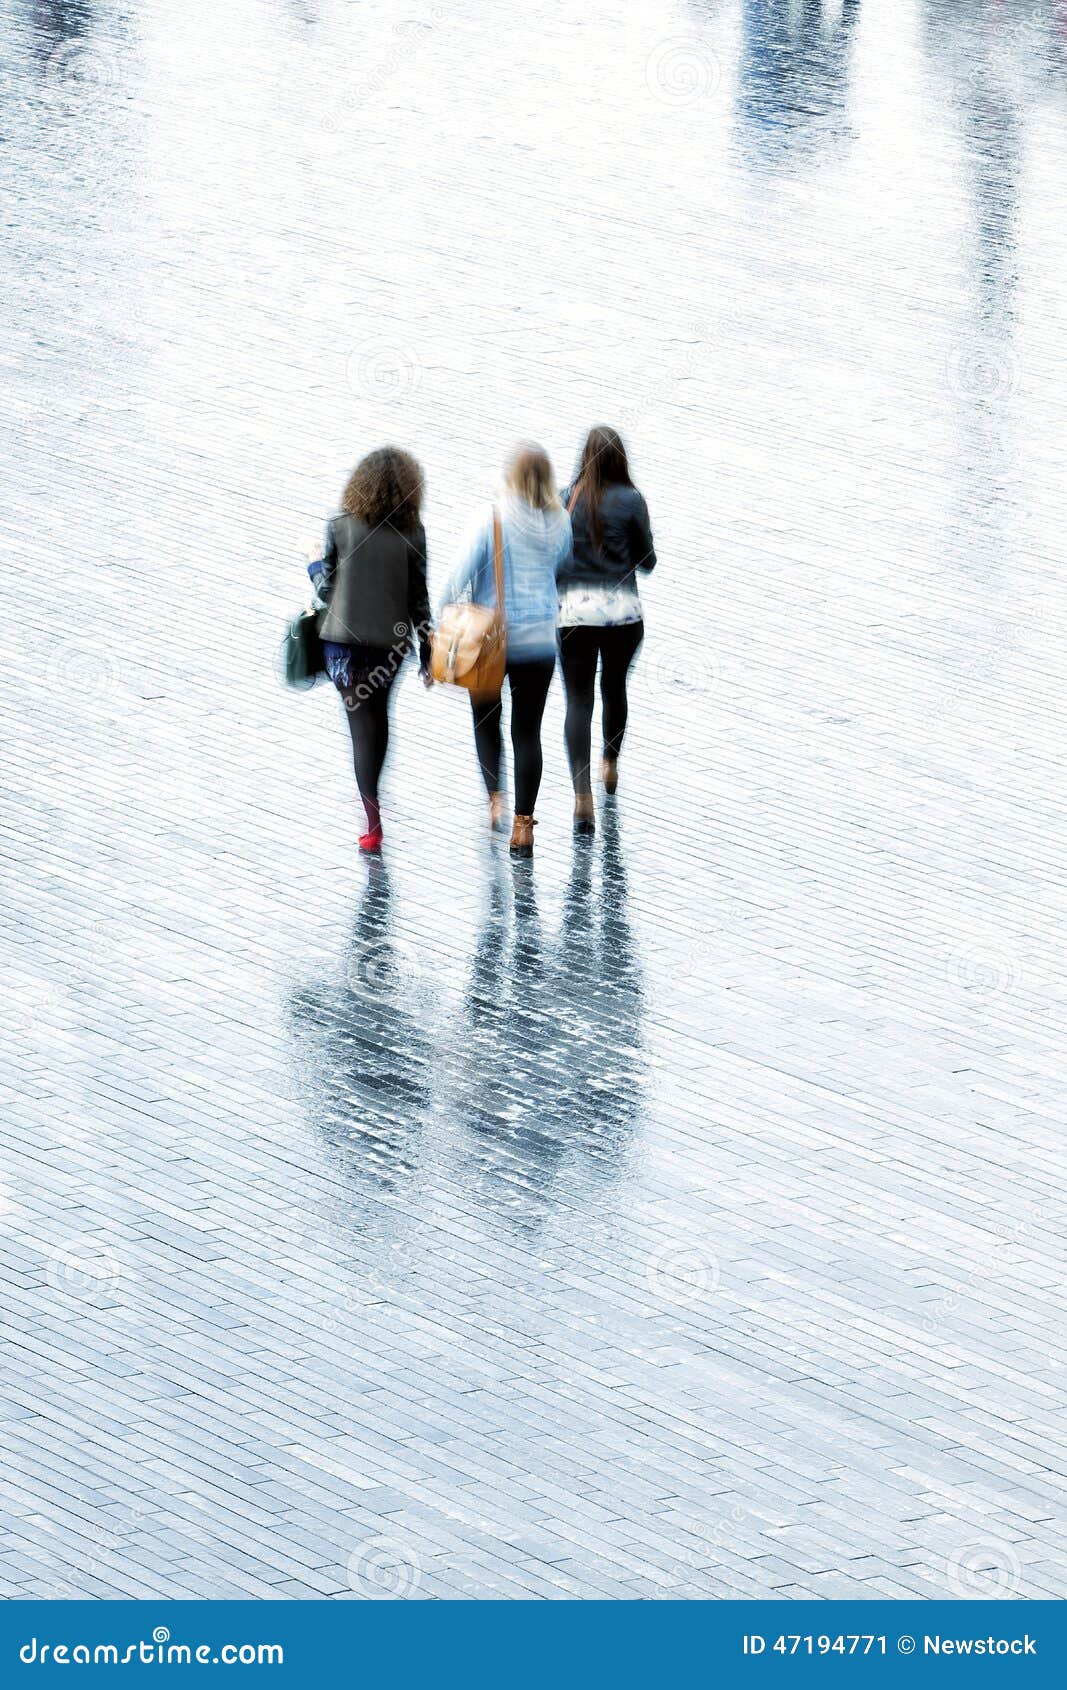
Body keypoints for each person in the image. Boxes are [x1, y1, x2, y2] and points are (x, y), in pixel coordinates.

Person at [441, 443, 571, 859]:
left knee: (485, 719)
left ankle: (495, 798)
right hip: (540, 642)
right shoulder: (560, 522)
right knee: (528, 732)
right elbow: (562, 568)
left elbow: (458, 573)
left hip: (490, 641)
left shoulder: (490, 517)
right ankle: (523, 826)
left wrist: (435, 622)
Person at [308, 447, 432, 854]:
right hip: (391, 648)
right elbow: (419, 600)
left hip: (343, 647)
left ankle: (373, 822)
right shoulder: (413, 534)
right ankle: (374, 807)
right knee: (379, 720)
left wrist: (312, 566)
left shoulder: (340, 527)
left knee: (360, 726)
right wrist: (429, 653)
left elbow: (327, 588)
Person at [557, 427, 656, 833]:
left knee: (578, 701)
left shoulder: (566, 498)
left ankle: (582, 796)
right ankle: (610, 764)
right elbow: (648, 562)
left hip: (574, 617)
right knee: (614, 688)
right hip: (622, 616)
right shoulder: (633, 500)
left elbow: (555, 559)